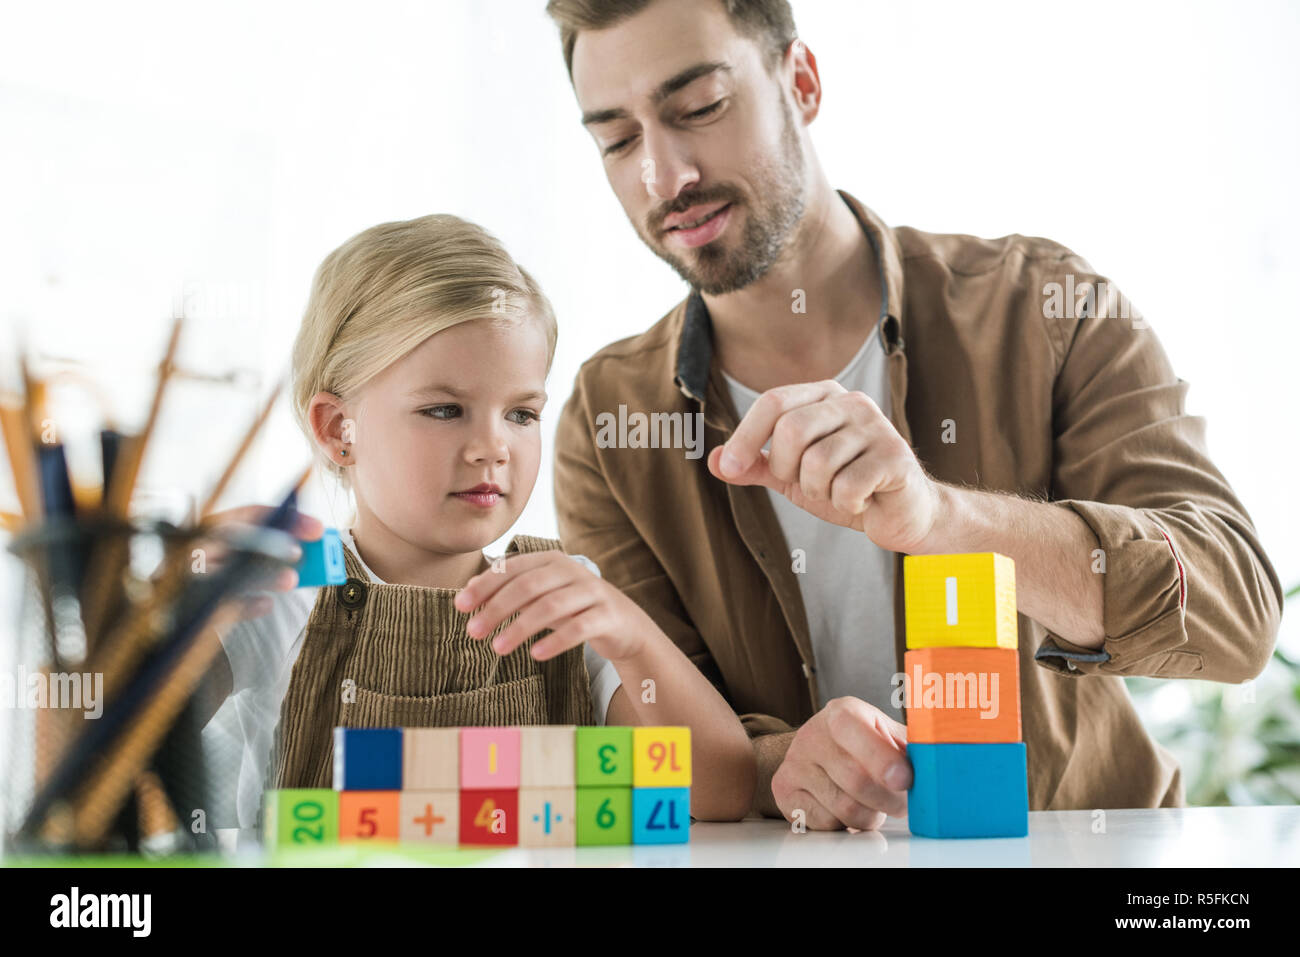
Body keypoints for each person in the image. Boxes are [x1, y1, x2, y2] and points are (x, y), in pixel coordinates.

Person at [543, 0, 1284, 829]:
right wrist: (778, 764)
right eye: (617, 140)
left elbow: (1237, 611)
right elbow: (654, 730)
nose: (665, 177)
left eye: (701, 108)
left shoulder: (1045, 308)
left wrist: (945, 519)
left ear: (803, 81)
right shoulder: (606, 422)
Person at [205, 213, 755, 835]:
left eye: (522, 414)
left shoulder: (564, 596)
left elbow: (718, 790)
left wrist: (631, 633)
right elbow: (89, 753)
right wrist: (171, 603)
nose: (492, 447)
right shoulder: (285, 593)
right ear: (339, 430)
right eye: (445, 409)